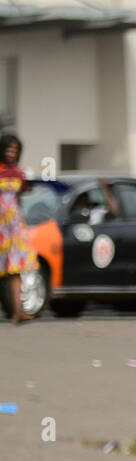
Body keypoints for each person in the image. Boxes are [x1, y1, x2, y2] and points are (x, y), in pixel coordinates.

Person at [0, 133, 37, 324]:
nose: (11, 153)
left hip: (13, 227)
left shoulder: (18, 173)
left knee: (15, 270)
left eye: (15, 150)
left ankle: (17, 311)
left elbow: (22, 196)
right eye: (8, 149)